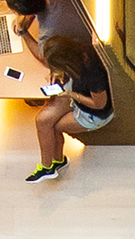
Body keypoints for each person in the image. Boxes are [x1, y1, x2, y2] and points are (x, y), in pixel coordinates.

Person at [25, 33, 116, 183]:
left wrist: (71, 95)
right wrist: (57, 75)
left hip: (93, 113)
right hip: (77, 92)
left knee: (53, 127)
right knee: (43, 121)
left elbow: (99, 104)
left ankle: (52, 165)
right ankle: (52, 164)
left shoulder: (92, 73)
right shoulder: (79, 49)